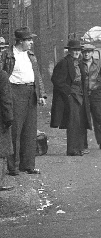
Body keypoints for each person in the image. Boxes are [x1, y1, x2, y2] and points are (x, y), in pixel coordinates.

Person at [0, 28, 48, 176]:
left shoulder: (31, 55)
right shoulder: (7, 54)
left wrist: (41, 94)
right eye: (29, 40)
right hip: (14, 92)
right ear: (20, 41)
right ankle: (13, 167)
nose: (32, 43)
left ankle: (28, 165)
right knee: (14, 131)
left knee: (30, 131)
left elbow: (37, 74)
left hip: (30, 93)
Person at [50, 39, 91, 156]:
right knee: (73, 122)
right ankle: (72, 149)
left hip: (80, 93)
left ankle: (81, 147)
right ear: (69, 51)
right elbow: (56, 80)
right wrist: (68, 92)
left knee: (81, 121)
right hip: (70, 95)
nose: (77, 52)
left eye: (78, 50)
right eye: (74, 50)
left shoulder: (79, 62)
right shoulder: (64, 62)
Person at [81, 44, 101, 150]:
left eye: (88, 52)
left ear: (92, 52)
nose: (86, 54)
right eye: (84, 52)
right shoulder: (79, 64)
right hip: (84, 94)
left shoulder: (98, 64)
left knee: (99, 116)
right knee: (83, 118)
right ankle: (83, 144)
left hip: (96, 93)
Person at [0, 38, 14, 191]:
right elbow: (5, 100)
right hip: (1, 120)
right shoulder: (2, 75)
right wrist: (9, 117)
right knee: (2, 152)